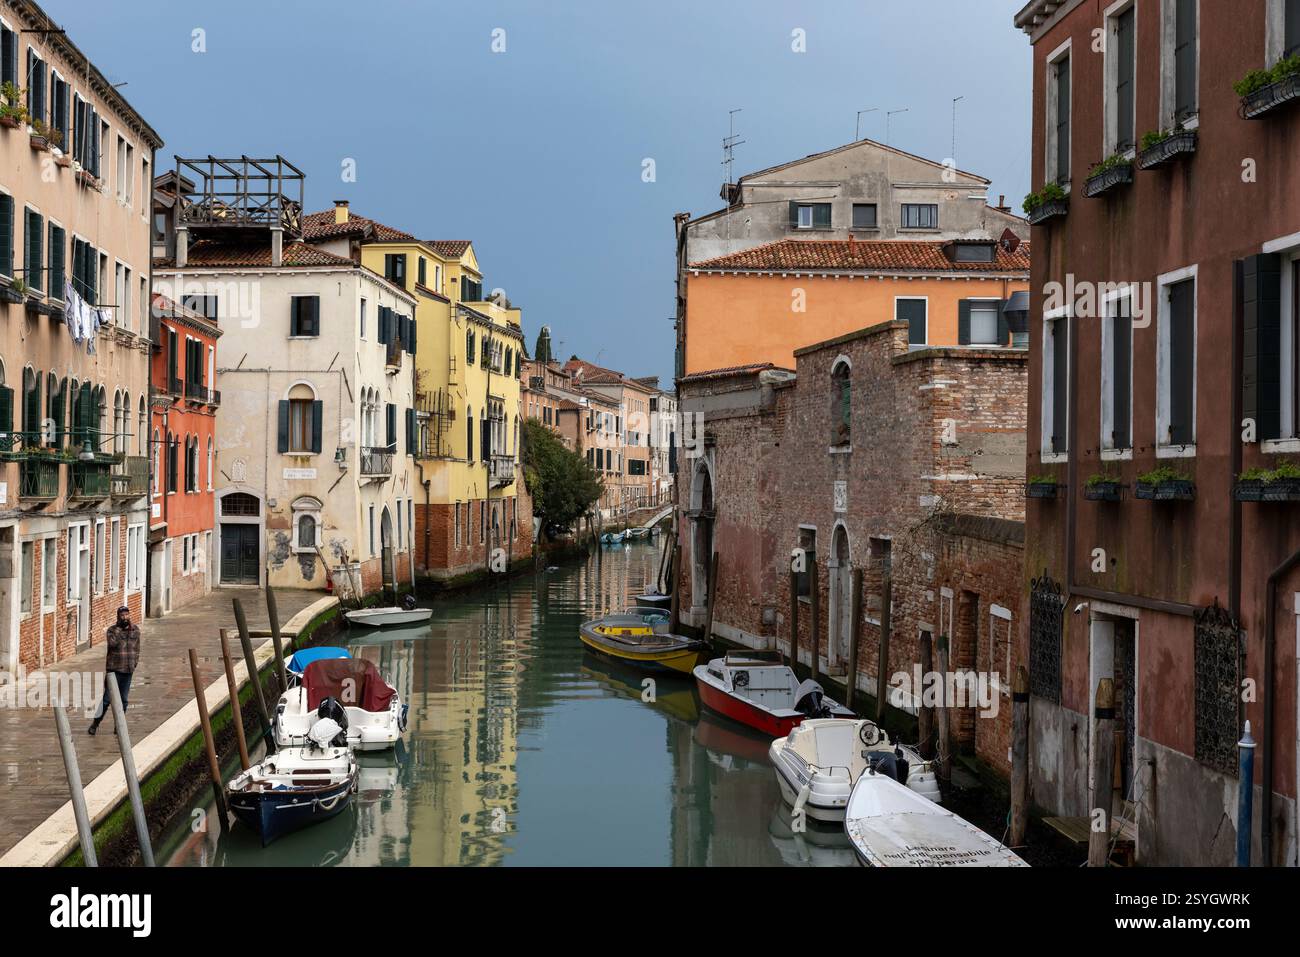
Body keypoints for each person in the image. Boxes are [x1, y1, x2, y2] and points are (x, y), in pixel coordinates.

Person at [89, 605, 141, 736]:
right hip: (114, 671)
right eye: (122, 615)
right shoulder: (112, 631)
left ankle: (119, 725)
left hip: (128, 670)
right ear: (118, 617)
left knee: (124, 700)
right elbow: (112, 644)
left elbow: (137, 648)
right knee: (107, 700)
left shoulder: (135, 630)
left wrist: (135, 663)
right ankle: (95, 723)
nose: (125, 617)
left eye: (126, 615)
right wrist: (119, 629)